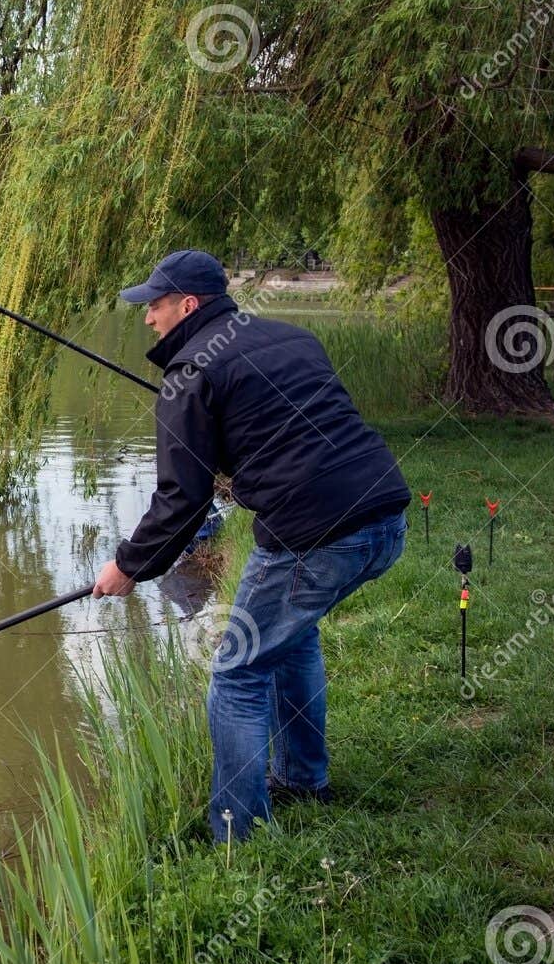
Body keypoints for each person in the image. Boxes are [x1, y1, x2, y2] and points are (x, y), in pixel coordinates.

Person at [92, 250, 410, 843]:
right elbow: (295, 432)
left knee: (237, 671)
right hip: (385, 517)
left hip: (314, 537)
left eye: (155, 306)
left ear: (188, 305)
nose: (147, 319)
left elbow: (179, 503)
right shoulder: (292, 338)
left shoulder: (189, 375)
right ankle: (303, 781)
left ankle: (238, 833)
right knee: (292, 639)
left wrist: (128, 567)